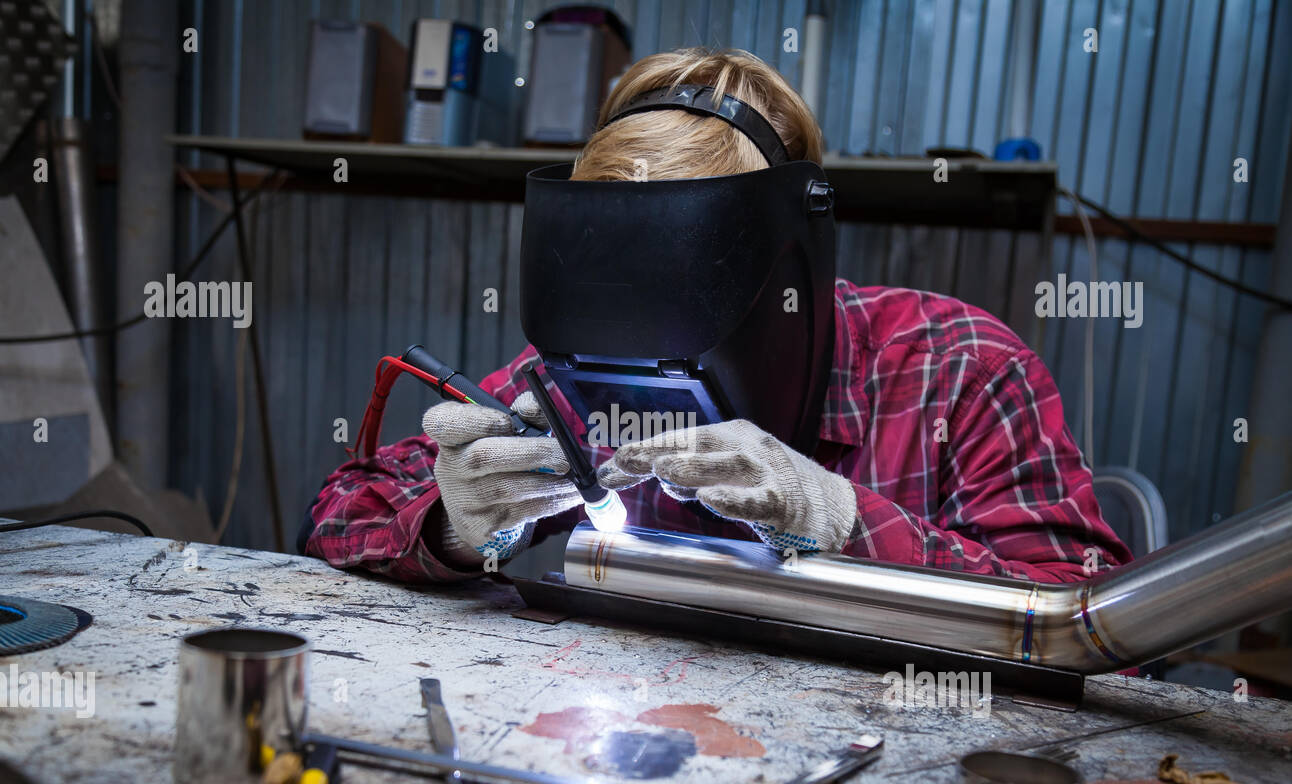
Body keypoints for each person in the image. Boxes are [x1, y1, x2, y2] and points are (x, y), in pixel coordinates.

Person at [298, 49, 1131, 586]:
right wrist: (454, 525)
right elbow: (339, 515)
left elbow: (1094, 619)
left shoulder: (961, 369)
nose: (639, 374)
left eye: (679, 326)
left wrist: (839, 521)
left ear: (784, 276)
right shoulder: (574, 371)